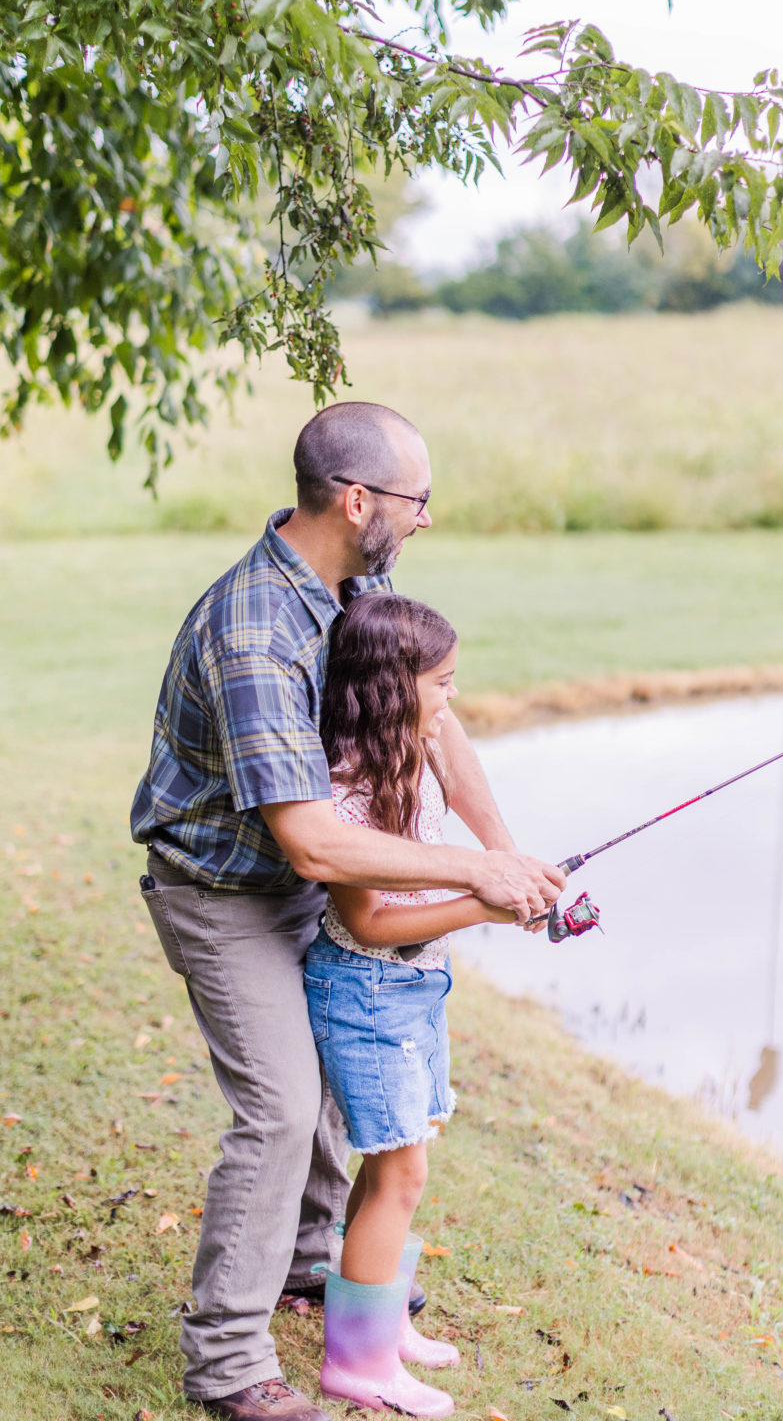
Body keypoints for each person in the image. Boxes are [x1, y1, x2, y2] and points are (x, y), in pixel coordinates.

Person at [130, 401, 564, 1421]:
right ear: (357, 498)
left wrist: (500, 853)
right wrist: (466, 879)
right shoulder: (253, 629)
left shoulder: (358, 579)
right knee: (281, 1111)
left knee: (337, 1091)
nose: (424, 520)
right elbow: (313, 838)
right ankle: (228, 1361)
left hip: (304, 881)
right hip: (224, 891)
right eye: (415, 500)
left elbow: (432, 718)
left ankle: (310, 1263)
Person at [304, 591, 521, 1418]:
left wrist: (505, 872)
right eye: (443, 681)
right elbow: (366, 919)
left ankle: (382, 1324)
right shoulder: (351, 783)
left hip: (410, 985)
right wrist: (482, 901)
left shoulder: (404, 754)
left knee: (393, 1163)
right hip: (364, 988)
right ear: (397, 689)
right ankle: (357, 1367)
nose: (453, 696)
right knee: (402, 1171)